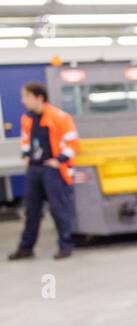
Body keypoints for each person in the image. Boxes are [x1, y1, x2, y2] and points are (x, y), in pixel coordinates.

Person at [8, 81, 80, 260]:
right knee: (31, 211)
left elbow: (74, 143)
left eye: (26, 96)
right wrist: (25, 155)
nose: (23, 101)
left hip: (52, 170)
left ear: (38, 97)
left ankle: (65, 246)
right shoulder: (28, 119)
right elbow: (25, 140)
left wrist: (60, 160)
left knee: (58, 209)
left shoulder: (59, 117)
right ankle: (26, 248)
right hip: (34, 169)